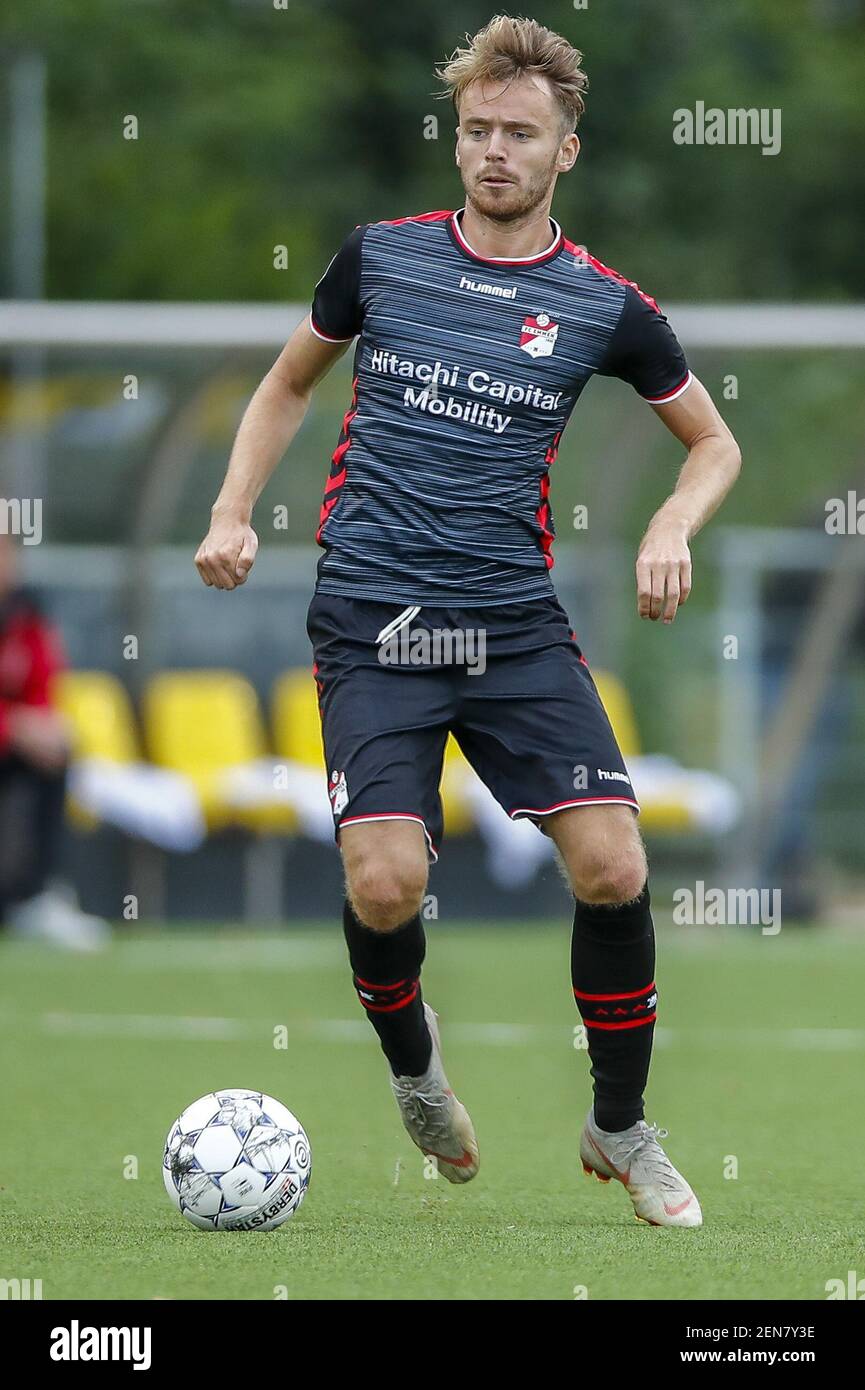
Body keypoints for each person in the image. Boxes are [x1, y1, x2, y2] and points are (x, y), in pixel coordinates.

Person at [195, 15, 741, 1227]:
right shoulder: (380, 259)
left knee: (614, 864)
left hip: (510, 622)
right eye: (477, 131)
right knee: (386, 884)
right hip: (375, 617)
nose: (493, 152)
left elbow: (713, 440)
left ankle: (621, 1124)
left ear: (566, 152)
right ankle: (414, 1066)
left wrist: (670, 526)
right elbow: (288, 381)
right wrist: (233, 508)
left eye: (519, 134)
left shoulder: (602, 305)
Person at [0, 533, 109, 951]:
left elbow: (43, 680)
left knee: (56, 753)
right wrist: (13, 725)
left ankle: (35, 895)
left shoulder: (26, 612)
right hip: (8, 732)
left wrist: (41, 724)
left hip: (12, 743)